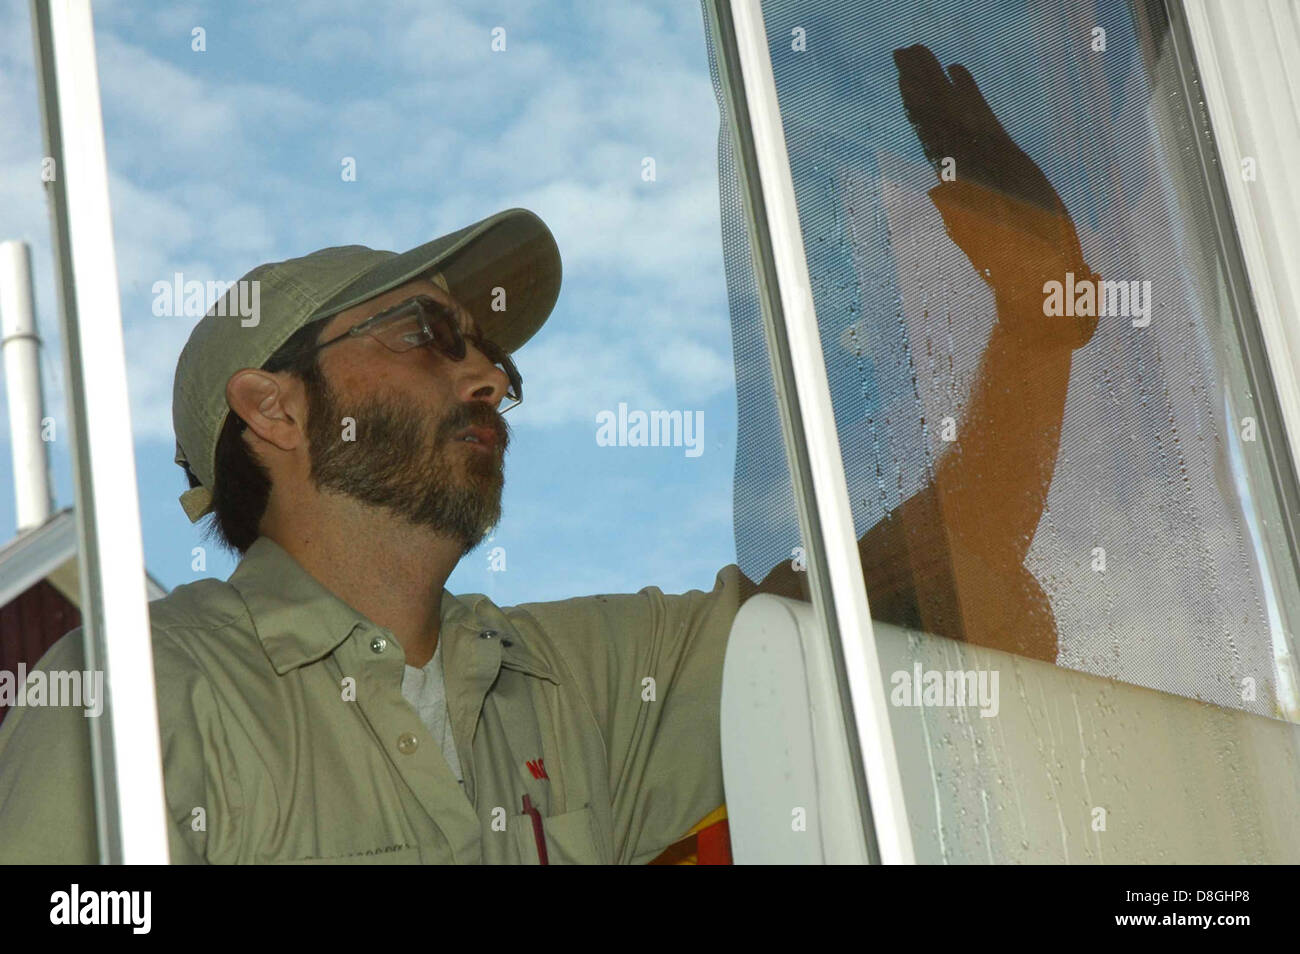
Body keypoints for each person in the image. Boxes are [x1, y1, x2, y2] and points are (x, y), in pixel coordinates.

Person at [0, 46, 1097, 863]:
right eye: (431, 336)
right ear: (275, 411)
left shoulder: (584, 684)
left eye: (493, 360)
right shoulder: (141, 697)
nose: (487, 378)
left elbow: (926, 585)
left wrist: (1037, 325)